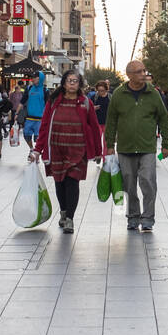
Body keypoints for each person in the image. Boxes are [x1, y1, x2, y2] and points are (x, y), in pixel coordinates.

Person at [33, 69, 103, 234]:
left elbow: (94, 128)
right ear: (63, 83)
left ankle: (70, 218)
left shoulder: (86, 103)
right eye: (69, 80)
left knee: (72, 182)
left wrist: (98, 151)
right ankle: (63, 211)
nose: (72, 83)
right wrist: (38, 150)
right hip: (56, 148)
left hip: (78, 150)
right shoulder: (53, 101)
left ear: (80, 84)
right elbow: (44, 126)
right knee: (59, 183)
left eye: (75, 81)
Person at [104, 60, 168, 232]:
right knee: (129, 184)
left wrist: (166, 143)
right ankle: (133, 216)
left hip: (147, 147)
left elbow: (163, 118)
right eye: (139, 72)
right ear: (130, 75)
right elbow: (110, 121)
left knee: (148, 181)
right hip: (125, 148)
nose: (144, 74)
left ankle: (148, 218)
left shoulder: (153, 93)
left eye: (144, 71)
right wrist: (109, 145)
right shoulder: (119, 94)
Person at [22, 71, 46, 149]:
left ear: (39, 79)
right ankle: (32, 149)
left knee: (37, 139)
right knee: (26, 136)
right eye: (33, 78)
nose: (32, 79)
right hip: (29, 118)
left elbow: (49, 105)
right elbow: (22, 101)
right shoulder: (29, 88)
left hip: (40, 120)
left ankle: (36, 152)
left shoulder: (45, 90)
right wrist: (16, 113)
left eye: (34, 78)